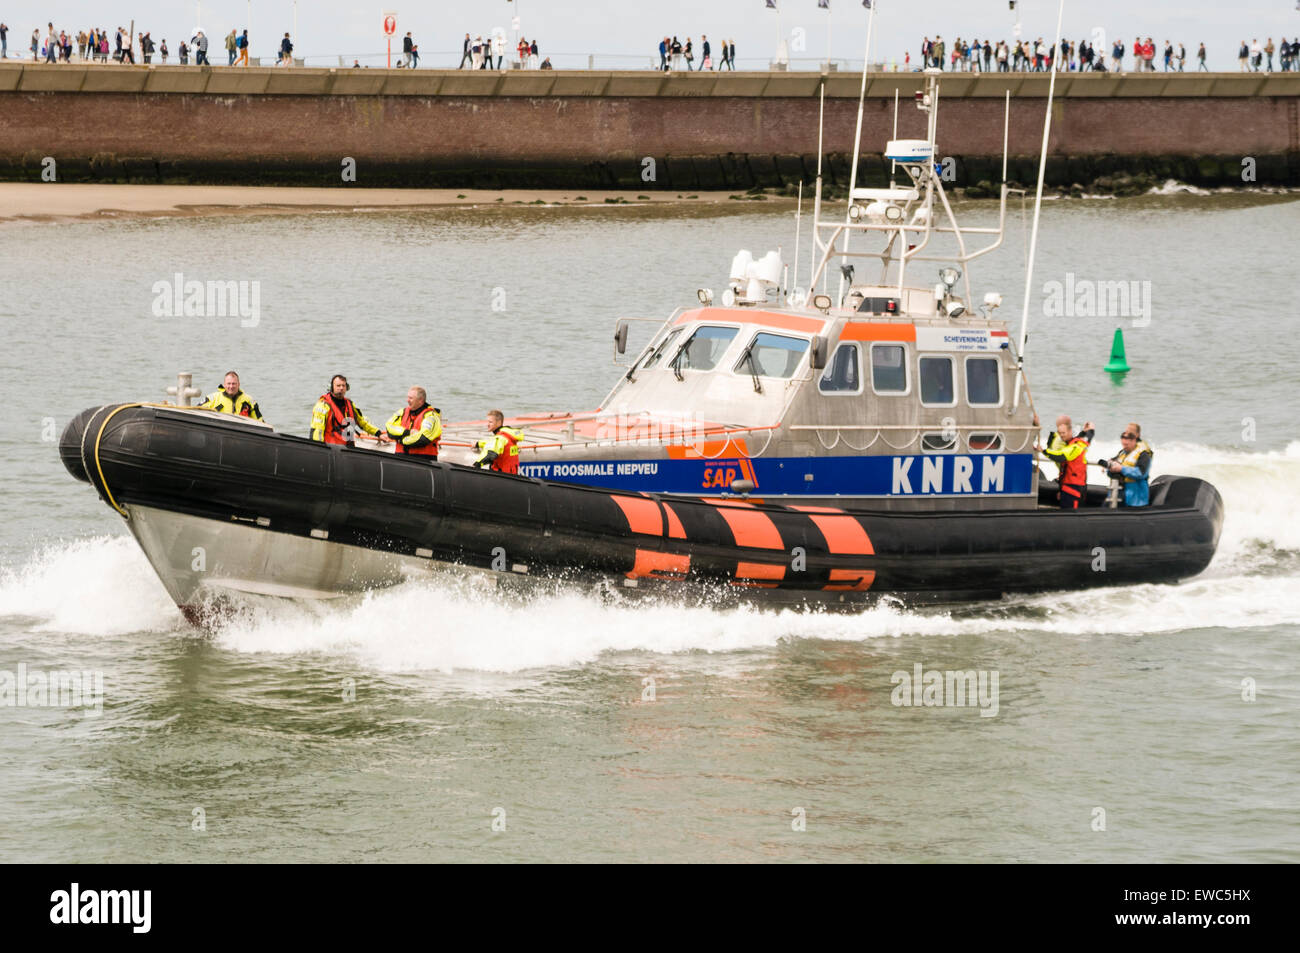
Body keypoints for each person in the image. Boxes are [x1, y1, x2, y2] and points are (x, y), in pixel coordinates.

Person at [310, 375, 389, 447]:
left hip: (348, 449)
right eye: (338, 386)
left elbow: (362, 423)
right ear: (331, 388)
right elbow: (317, 432)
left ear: (347, 387)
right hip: (331, 449)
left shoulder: (350, 404)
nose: (341, 388)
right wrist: (319, 449)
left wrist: (378, 434)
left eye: (343, 386)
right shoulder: (322, 406)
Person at [1040, 413, 1094, 509]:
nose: (1061, 436)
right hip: (1067, 486)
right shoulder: (1073, 443)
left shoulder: (1075, 446)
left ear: (1070, 431)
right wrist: (1088, 431)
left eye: (1063, 433)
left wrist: (1043, 451)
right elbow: (1086, 438)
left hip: (1074, 488)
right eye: (1060, 433)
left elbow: (1061, 456)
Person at [383, 386, 442, 459]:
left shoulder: (431, 416)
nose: (407, 400)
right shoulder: (402, 412)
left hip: (423, 459)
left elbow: (423, 438)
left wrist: (401, 440)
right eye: (408, 397)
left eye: (411, 398)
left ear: (420, 400)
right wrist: (407, 432)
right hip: (400, 456)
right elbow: (389, 428)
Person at [1104, 423, 1153, 507]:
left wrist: (1121, 469)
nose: (1127, 436)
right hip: (1120, 492)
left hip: (1136, 499)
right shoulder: (1123, 452)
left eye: (1131, 434)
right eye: (1126, 432)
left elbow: (1141, 473)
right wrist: (1109, 466)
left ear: (1136, 436)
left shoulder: (1144, 453)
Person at [199, 371, 265, 421]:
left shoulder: (249, 401)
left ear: (238, 384)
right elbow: (196, 412)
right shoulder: (212, 398)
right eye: (229, 383)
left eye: (234, 384)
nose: (231, 386)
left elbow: (260, 421)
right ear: (224, 385)